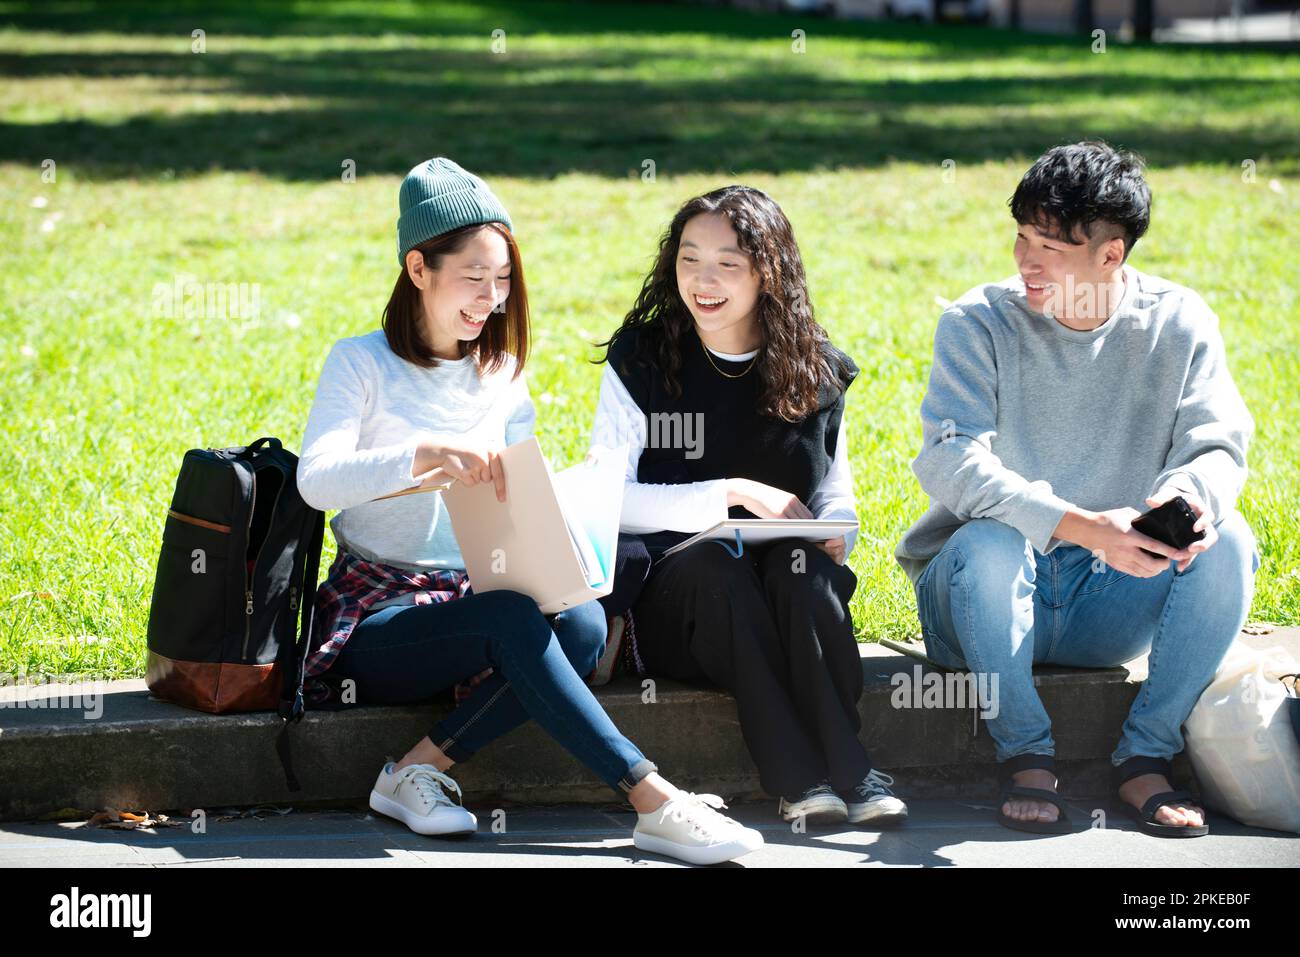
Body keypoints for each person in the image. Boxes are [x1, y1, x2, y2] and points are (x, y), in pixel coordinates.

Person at [295, 157, 764, 865]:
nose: (491, 297)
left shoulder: (501, 374)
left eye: (503, 279)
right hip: (380, 611)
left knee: (578, 621)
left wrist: (557, 526)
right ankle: (654, 798)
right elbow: (316, 480)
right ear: (418, 269)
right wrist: (421, 457)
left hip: (476, 591)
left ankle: (415, 769)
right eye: (473, 277)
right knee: (513, 621)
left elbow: (516, 493)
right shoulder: (359, 363)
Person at [895, 141, 1260, 837]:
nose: (1027, 260)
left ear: (1111, 255)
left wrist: (1186, 500)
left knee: (1230, 540)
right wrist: (1086, 525)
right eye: (1023, 237)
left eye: (1052, 246)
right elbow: (951, 462)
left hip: (1109, 599)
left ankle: (1146, 754)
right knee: (992, 539)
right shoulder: (977, 322)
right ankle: (1026, 755)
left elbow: (1216, 442)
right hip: (975, 604)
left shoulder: (1178, 322)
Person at [589, 184, 909, 827]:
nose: (703, 280)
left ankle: (853, 771)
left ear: (769, 273)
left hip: (781, 590)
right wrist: (730, 495)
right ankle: (796, 777)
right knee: (719, 566)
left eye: (728, 263)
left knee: (805, 572)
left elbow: (834, 490)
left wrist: (837, 529)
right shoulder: (644, 360)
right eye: (689, 257)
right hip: (680, 599)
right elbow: (607, 500)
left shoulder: (812, 368)